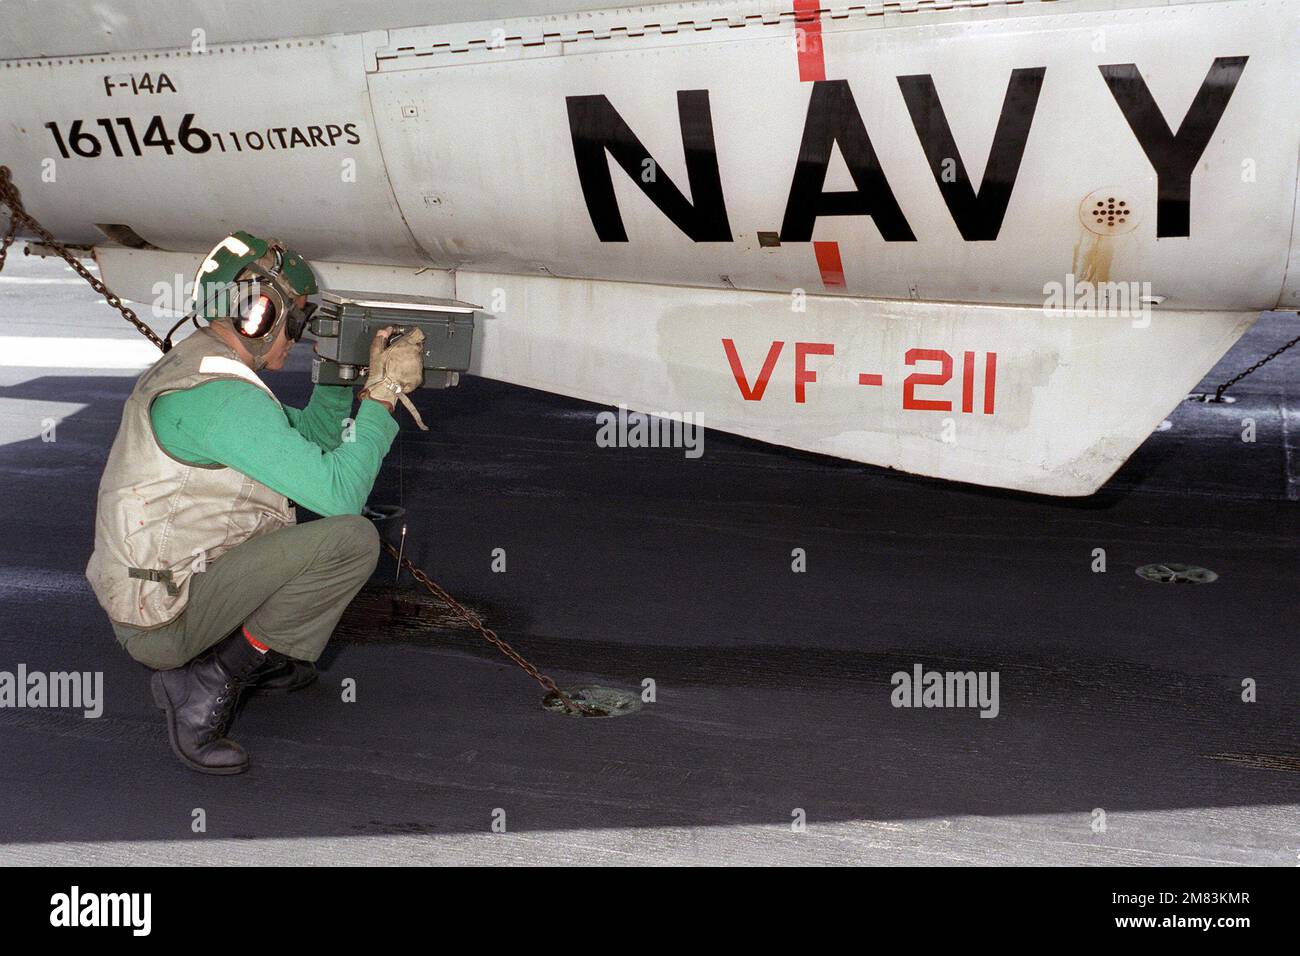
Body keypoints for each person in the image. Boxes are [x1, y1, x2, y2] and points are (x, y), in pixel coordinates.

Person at [85, 231, 425, 775]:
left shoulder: (206, 369)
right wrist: (382, 394)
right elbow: (339, 496)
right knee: (351, 540)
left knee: (310, 537)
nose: (297, 334)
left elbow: (313, 443)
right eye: (296, 319)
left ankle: (258, 652)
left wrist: (338, 379)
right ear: (258, 314)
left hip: (179, 578)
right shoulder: (219, 399)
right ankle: (201, 685)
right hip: (163, 618)